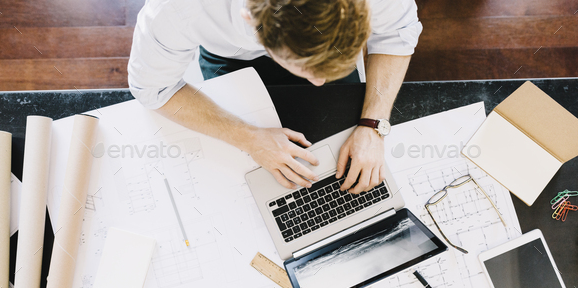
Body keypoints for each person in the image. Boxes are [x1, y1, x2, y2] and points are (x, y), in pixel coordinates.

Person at [128, 0, 422, 193]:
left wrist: (374, 123)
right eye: (307, 67)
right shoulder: (180, 9)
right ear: (250, 18)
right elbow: (154, 89)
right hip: (230, 55)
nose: (320, 83)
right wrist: (249, 138)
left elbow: (398, 33)